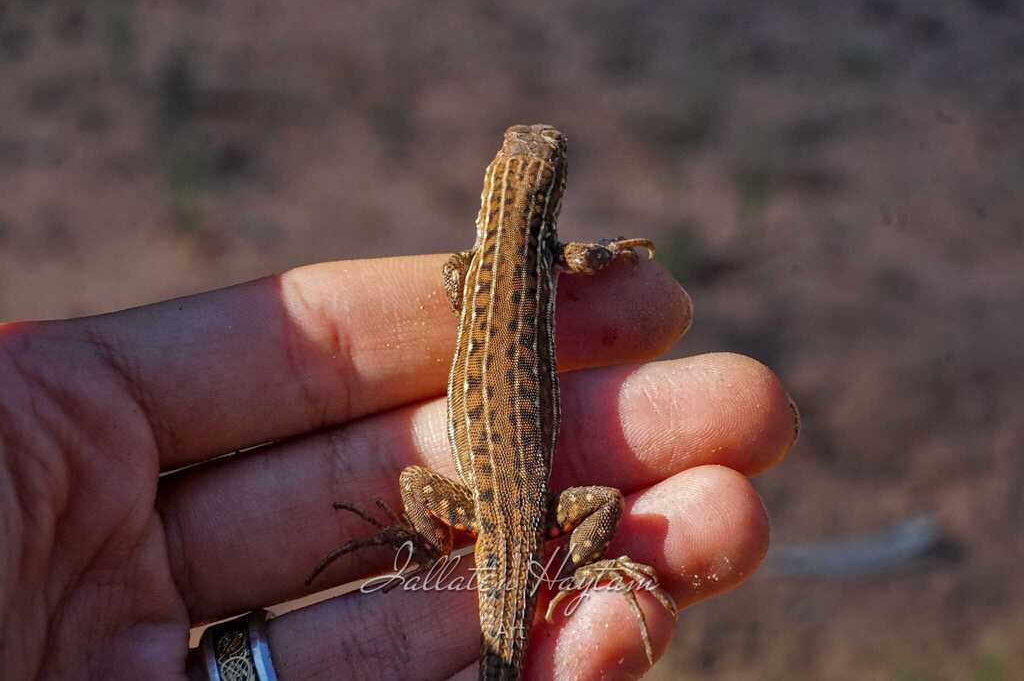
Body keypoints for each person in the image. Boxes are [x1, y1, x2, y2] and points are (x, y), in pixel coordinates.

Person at [0, 253, 797, 679]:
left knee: (421, 491)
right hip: (534, 508)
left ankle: (446, 544)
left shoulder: (472, 272)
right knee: (594, 516)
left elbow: (459, 280)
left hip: (491, 503)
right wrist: (579, 563)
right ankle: (585, 571)